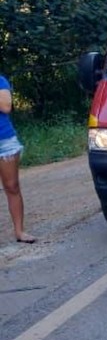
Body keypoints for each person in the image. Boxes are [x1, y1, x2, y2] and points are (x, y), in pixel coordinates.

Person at [0, 74, 36, 244]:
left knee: (12, 186)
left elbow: (6, 106)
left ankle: (19, 231)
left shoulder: (0, 81)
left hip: (4, 141)